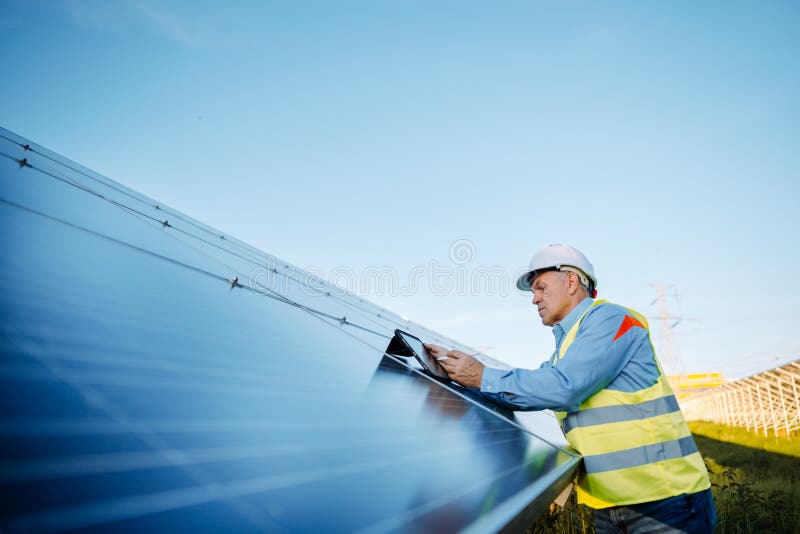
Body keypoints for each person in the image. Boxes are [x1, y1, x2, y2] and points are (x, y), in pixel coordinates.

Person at [425, 244, 716, 533]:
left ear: (572, 281)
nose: (534, 299)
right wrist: (456, 376)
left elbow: (563, 386)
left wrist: (479, 376)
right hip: (611, 505)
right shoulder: (568, 346)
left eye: (540, 287)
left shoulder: (613, 320)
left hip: (665, 500)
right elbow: (528, 391)